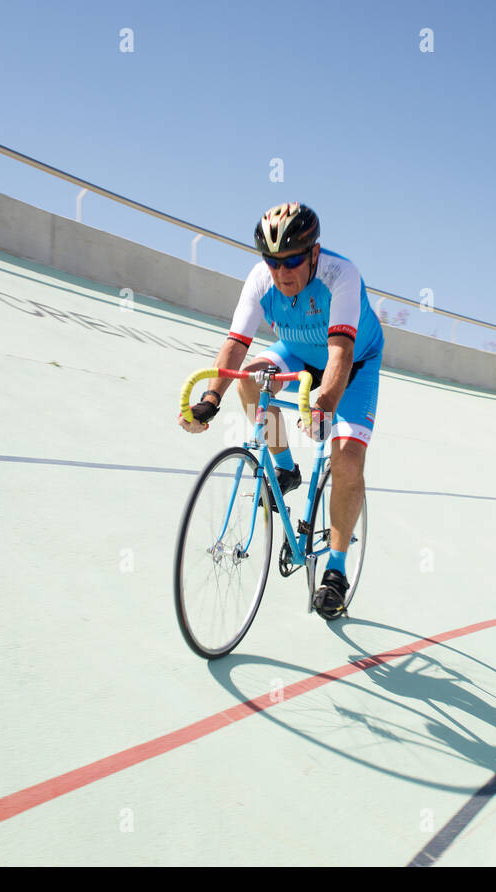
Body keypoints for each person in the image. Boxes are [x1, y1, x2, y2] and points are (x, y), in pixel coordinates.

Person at [178, 202, 383, 620]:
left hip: (353, 364)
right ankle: (286, 468)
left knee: (347, 459)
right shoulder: (260, 280)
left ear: (314, 253)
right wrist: (210, 401)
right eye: (273, 262)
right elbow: (236, 345)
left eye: (291, 261)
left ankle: (336, 571)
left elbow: (341, 353)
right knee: (248, 377)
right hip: (298, 352)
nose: (281, 272)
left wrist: (323, 405)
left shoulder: (340, 275)